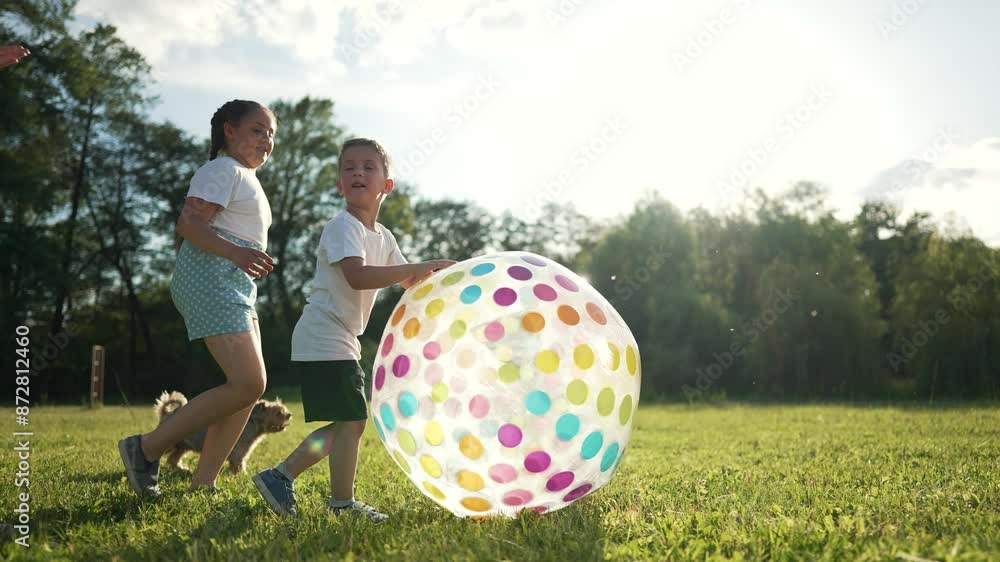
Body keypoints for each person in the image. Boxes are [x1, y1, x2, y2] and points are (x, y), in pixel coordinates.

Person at [252, 138, 454, 521]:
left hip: (340, 337)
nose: (358, 172)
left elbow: (410, 282)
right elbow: (358, 276)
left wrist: (447, 278)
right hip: (323, 335)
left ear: (386, 185)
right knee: (352, 421)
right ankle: (284, 477)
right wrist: (418, 266)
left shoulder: (384, 236)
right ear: (339, 185)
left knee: (350, 422)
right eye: (349, 168)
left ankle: (335, 500)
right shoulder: (343, 226)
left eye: (368, 166)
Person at [118, 100, 277, 497]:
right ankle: (145, 448)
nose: (267, 139)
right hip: (211, 278)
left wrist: (240, 260)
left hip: (234, 282)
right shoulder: (222, 169)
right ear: (229, 130)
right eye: (258, 130)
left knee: (248, 389)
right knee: (248, 382)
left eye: (271, 133)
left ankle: (204, 481)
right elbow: (189, 225)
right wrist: (238, 254)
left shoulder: (243, 176)